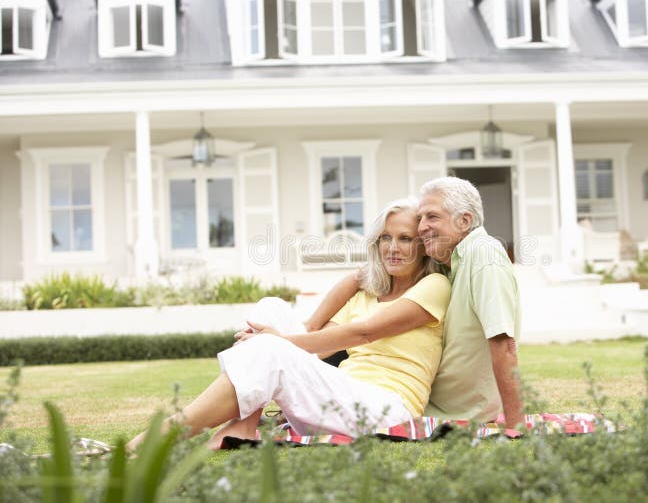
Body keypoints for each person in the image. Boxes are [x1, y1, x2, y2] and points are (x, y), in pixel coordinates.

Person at [126, 198, 450, 450]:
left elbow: (363, 333)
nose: (393, 248)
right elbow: (315, 337)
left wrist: (276, 343)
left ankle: (157, 439)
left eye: (405, 239)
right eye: (385, 238)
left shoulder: (434, 286)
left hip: (386, 411)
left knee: (272, 346)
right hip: (343, 400)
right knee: (271, 307)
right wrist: (353, 280)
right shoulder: (366, 293)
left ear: (422, 248)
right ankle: (245, 424)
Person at [308, 177, 524, 429]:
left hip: (456, 410)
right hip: (426, 401)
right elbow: (368, 274)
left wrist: (515, 424)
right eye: (420, 219)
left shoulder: (483, 255)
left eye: (432, 217)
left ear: (464, 220)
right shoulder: (454, 263)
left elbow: (503, 343)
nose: (422, 227)